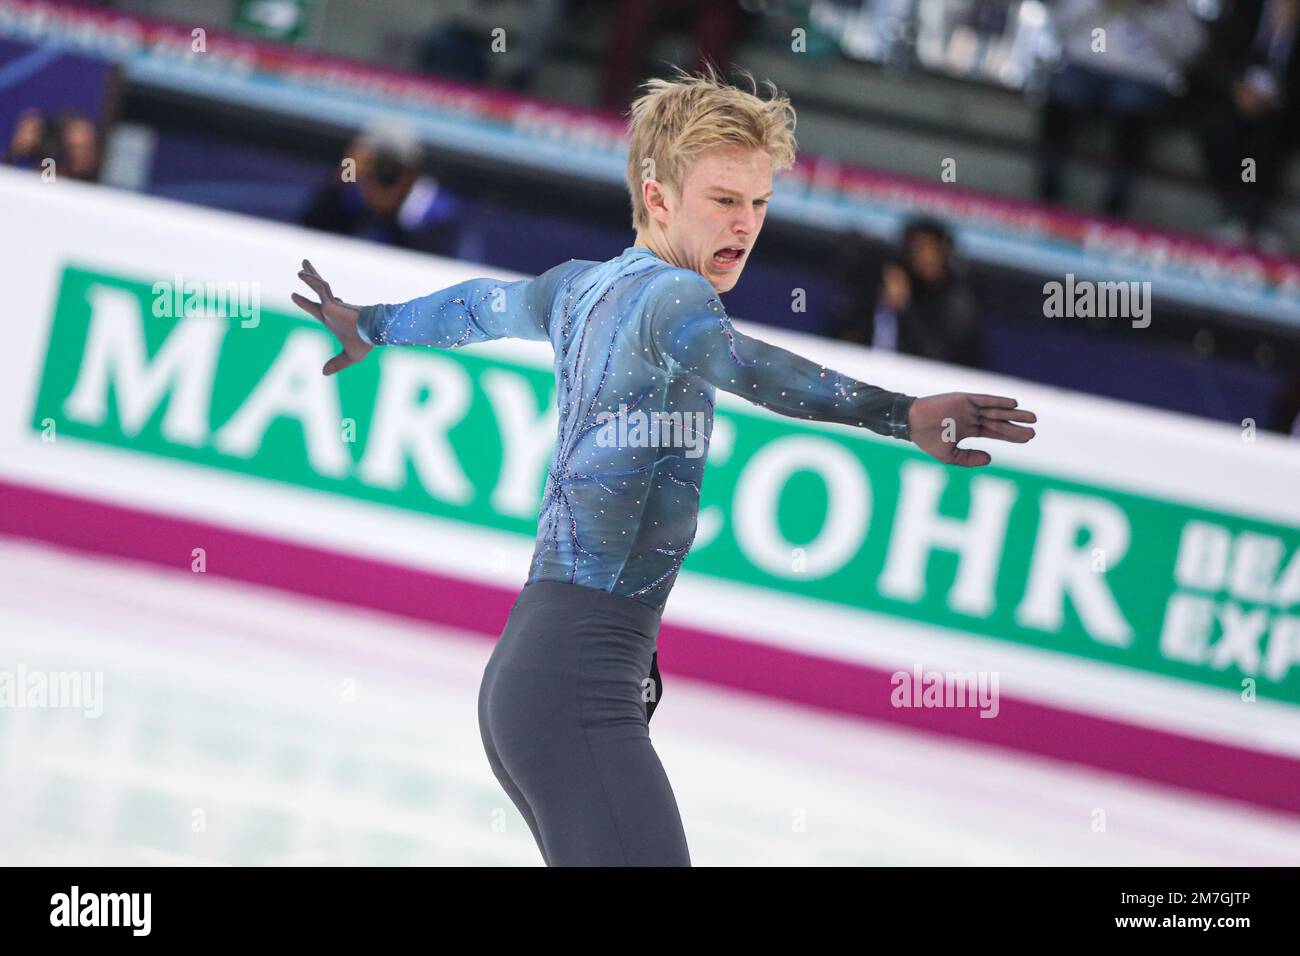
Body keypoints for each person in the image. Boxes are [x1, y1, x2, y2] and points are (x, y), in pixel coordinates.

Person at [292, 65, 1038, 866]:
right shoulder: (676, 302)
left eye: (758, 203)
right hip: (577, 686)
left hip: (542, 673)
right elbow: (756, 368)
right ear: (657, 198)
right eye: (723, 200)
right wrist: (902, 414)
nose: (745, 225)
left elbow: (476, 308)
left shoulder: (576, 288)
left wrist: (372, 322)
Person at [1037, 0, 1205, 216]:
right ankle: (1048, 189)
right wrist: (1101, 5)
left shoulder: (1173, 6)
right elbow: (1059, 26)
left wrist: (1150, 12)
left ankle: (1116, 204)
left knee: (1134, 107)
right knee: (1063, 91)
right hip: (1083, 65)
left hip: (1142, 77)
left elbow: (1190, 51)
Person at [832, 217, 984, 368]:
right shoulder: (898, 280)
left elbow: (937, 360)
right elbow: (846, 331)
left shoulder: (958, 302)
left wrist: (905, 307)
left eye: (931, 249)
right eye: (917, 248)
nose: (925, 257)